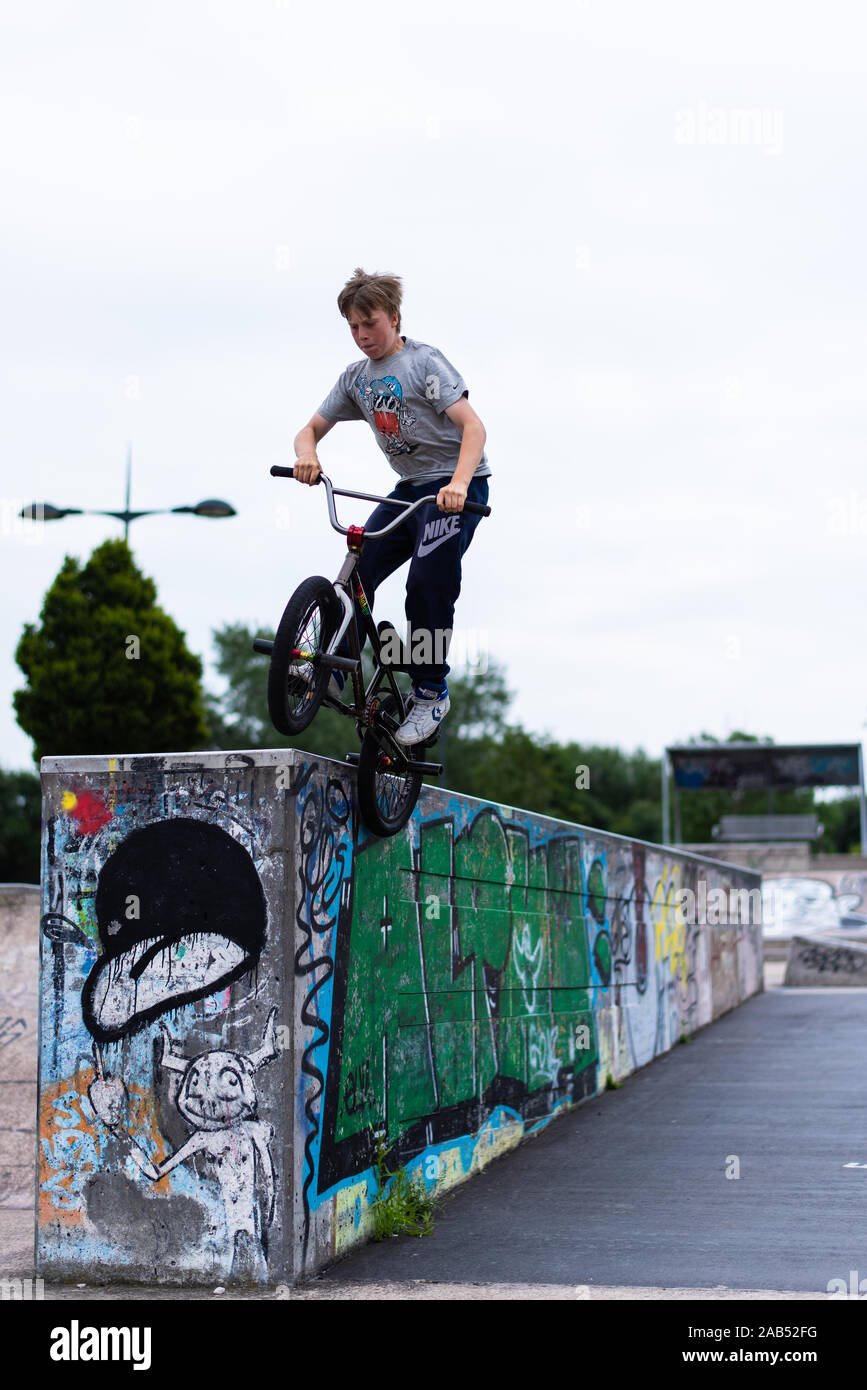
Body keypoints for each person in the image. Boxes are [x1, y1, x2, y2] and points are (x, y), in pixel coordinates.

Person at [291, 267, 490, 745]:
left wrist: (459, 483)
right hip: (410, 489)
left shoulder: (424, 363)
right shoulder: (355, 379)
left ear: (394, 319)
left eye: (370, 324)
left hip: (456, 487)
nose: (362, 337)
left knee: (427, 580)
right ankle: (331, 667)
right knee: (356, 574)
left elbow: (474, 428)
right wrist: (307, 456)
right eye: (353, 328)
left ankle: (430, 692)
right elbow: (308, 430)